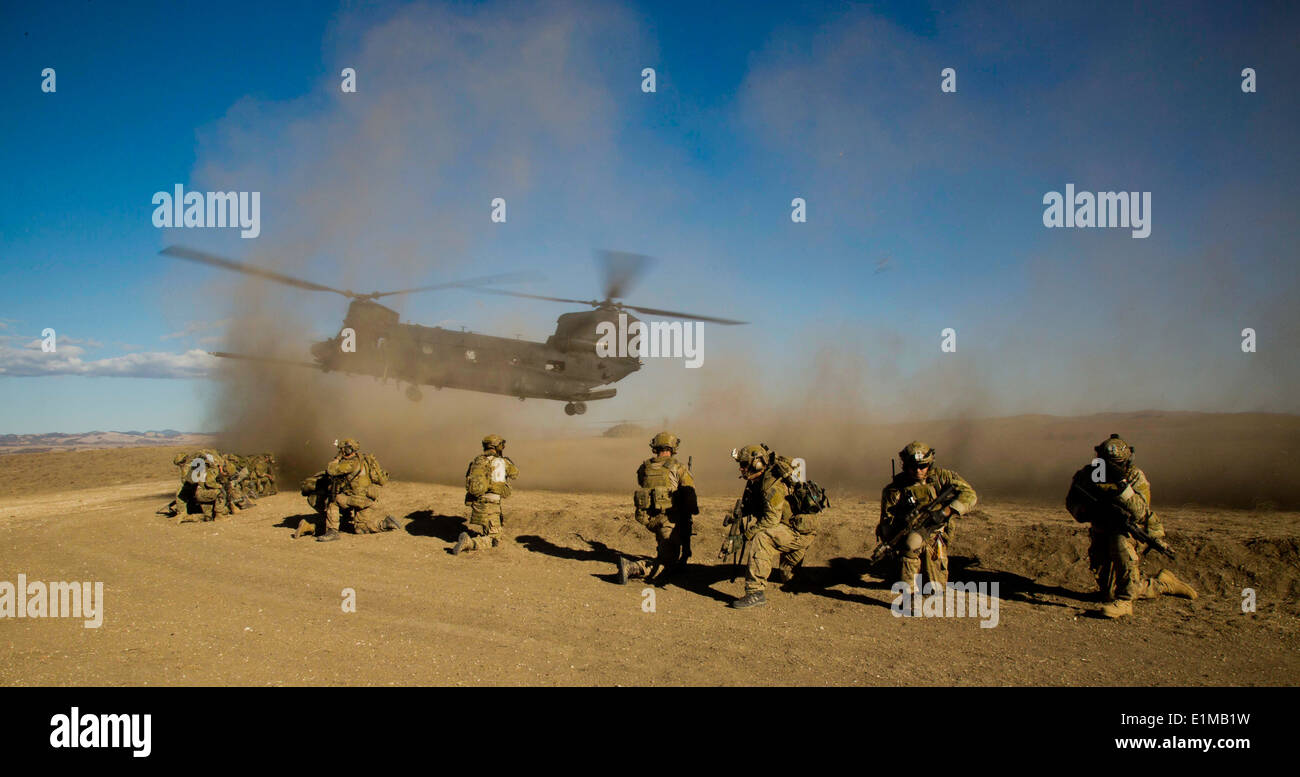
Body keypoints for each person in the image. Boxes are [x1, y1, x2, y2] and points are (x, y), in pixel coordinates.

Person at [1066, 434, 1197, 618]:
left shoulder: (1134, 477)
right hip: (1103, 531)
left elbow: (1140, 513)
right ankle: (1163, 584)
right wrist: (1088, 511)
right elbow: (1072, 501)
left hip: (1133, 531)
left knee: (1121, 540)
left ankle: (1126, 602)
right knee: (1108, 593)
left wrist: (1122, 487)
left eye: (1116, 463)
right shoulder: (1088, 475)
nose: (1110, 468)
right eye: (1106, 463)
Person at [876, 441, 978, 593]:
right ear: (905, 465)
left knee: (935, 589)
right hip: (909, 536)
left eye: (922, 466)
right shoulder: (895, 489)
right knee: (909, 547)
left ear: (929, 464)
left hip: (936, 535)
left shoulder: (942, 477)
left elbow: (969, 495)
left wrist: (946, 512)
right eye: (913, 466)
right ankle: (908, 594)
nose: (918, 470)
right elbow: (886, 521)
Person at [727, 444, 818, 610]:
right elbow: (760, 507)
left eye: (744, 465)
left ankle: (755, 593)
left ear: (757, 464)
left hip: (796, 531)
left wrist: (745, 536)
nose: (740, 469)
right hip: (790, 528)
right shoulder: (758, 480)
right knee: (788, 577)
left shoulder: (771, 484)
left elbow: (770, 520)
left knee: (763, 538)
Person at [616, 432, 698, 584]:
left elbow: (643, 484)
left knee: (666, 547)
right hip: (669, 519)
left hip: (649, 518)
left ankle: (669, 558)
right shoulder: (678, 467)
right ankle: (634, 568)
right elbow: (689, 495)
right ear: (672, 447)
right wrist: (691, 511)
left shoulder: (645, 467)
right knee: (667, 563)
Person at [308, 438, 400, 542]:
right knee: (361, 528)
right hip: (367, 500)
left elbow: (331, 470)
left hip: (355, 498)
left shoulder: (350, 464)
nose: (341, 451)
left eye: (342, 449)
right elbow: (379, 479)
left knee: (334, 501)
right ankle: (384, 523)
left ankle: (332, 531)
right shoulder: (365, 460)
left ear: (346, 450)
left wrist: (337, 459)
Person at [452, 434, 518, 554]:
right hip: (491, 505)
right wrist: (507, 461)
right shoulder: (502, 462)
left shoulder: (478, 460)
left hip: (477, 503)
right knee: (494, 539)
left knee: (489, 527)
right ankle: (469, 543)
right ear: (496, 446)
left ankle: (483, 534)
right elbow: (515, 474)